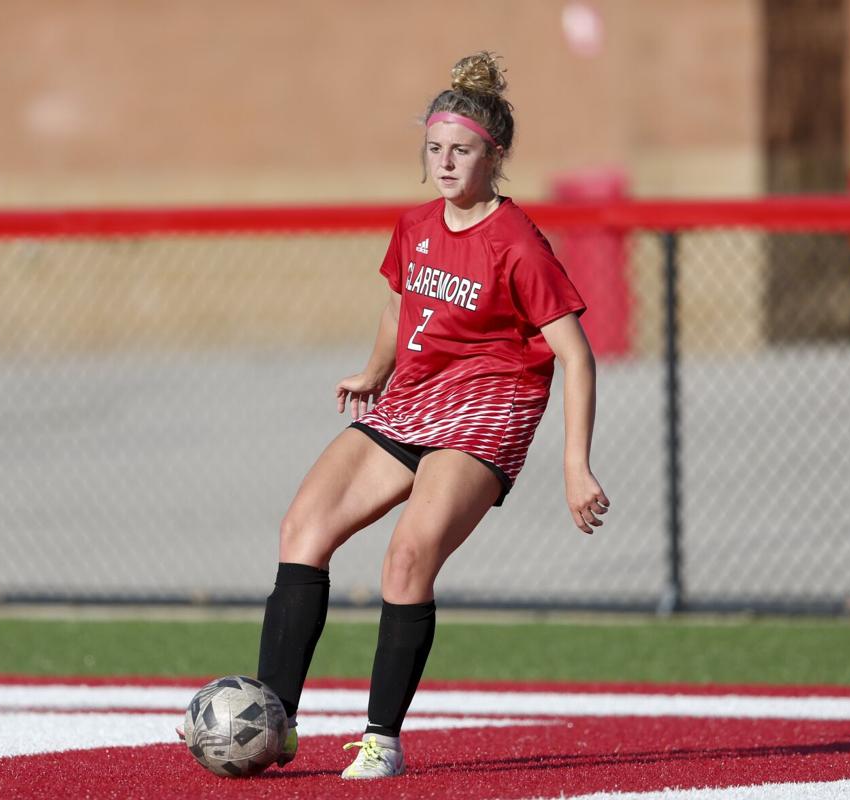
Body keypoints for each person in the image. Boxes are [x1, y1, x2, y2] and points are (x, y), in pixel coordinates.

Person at [186, 50, 610, 779]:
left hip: (490, 405)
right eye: (436, 149)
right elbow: (397, 302)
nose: (447, 163)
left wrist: (576, 467)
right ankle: (274, 722)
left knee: (407, 559)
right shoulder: (414, 225)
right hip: (415, 398)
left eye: (463, 150)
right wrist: (376, 370)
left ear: (495, 154)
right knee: (303, 528)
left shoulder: (516, 242)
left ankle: (382, 738)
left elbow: (576, 354)